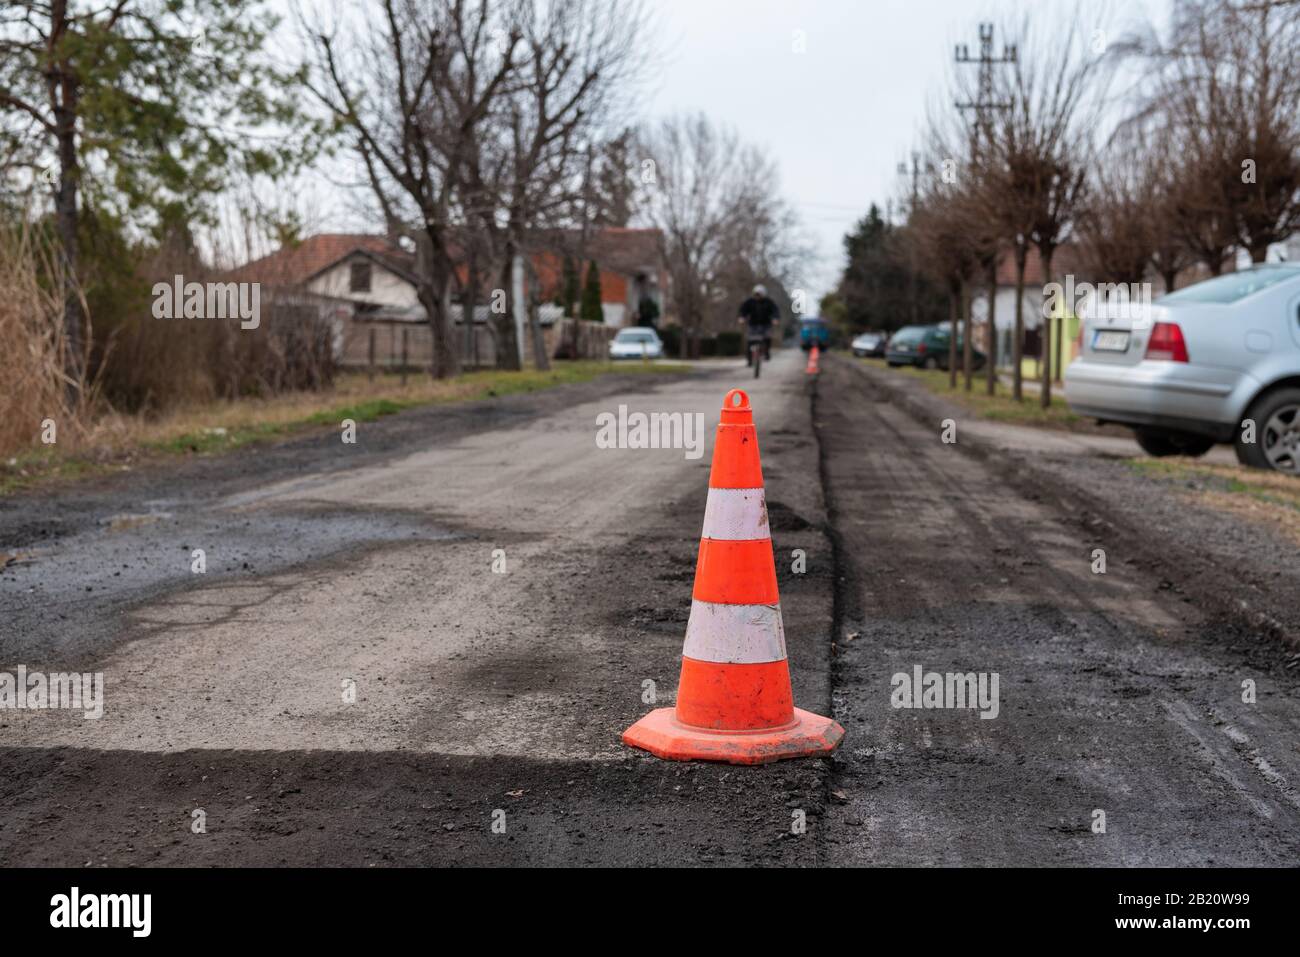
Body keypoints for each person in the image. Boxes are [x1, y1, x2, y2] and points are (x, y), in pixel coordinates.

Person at [737, 284, 778, 365]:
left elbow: (775, 311)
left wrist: (775, 318)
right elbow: (743, 310)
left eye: (759, 294)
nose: (757, 296)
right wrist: (742, 317)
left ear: (763, 294)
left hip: (766, 324)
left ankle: (766, 352)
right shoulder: (749, 302)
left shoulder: (769, 302)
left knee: (767, 338)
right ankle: (749, 360)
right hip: (753, 324)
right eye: (756, 294)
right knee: (750, 342)